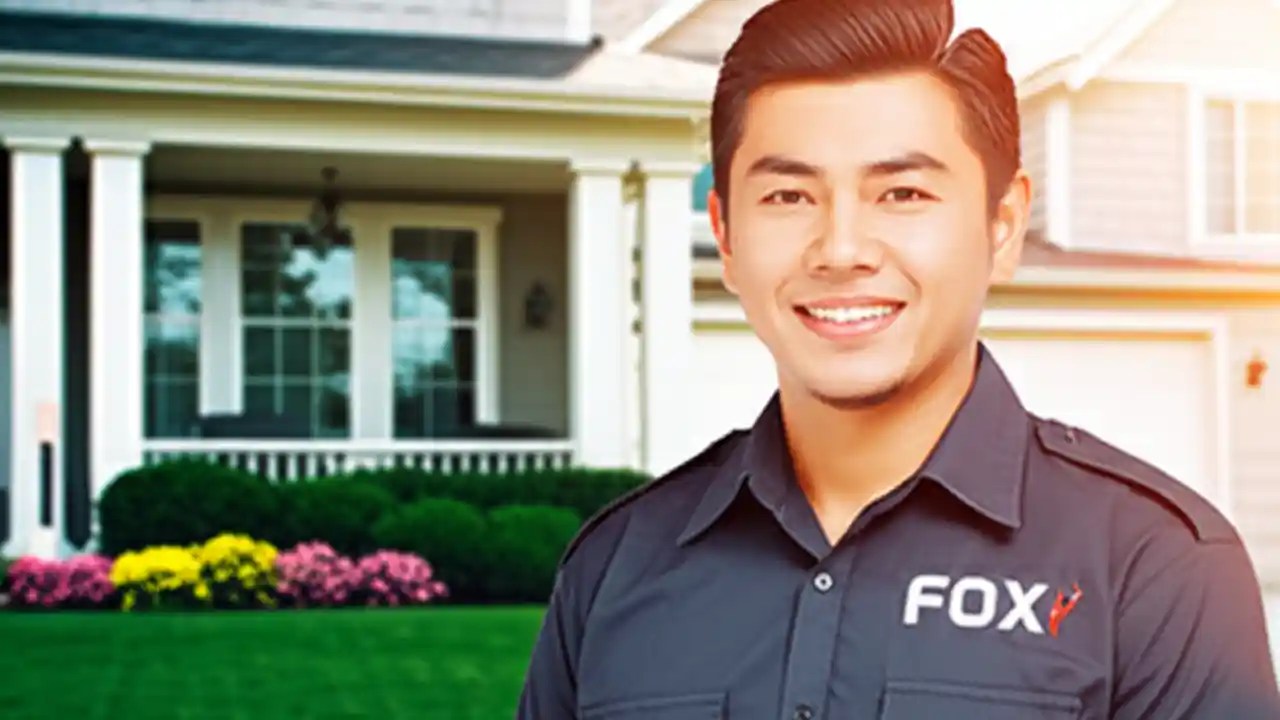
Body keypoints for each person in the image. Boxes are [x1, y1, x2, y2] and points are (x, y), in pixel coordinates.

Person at [516, 0, 1280, 717]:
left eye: (903, 194)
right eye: (789, 197)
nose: (841, 250)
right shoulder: (612, 571)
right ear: (726, 234)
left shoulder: (1154, 569)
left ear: (1004, 225)